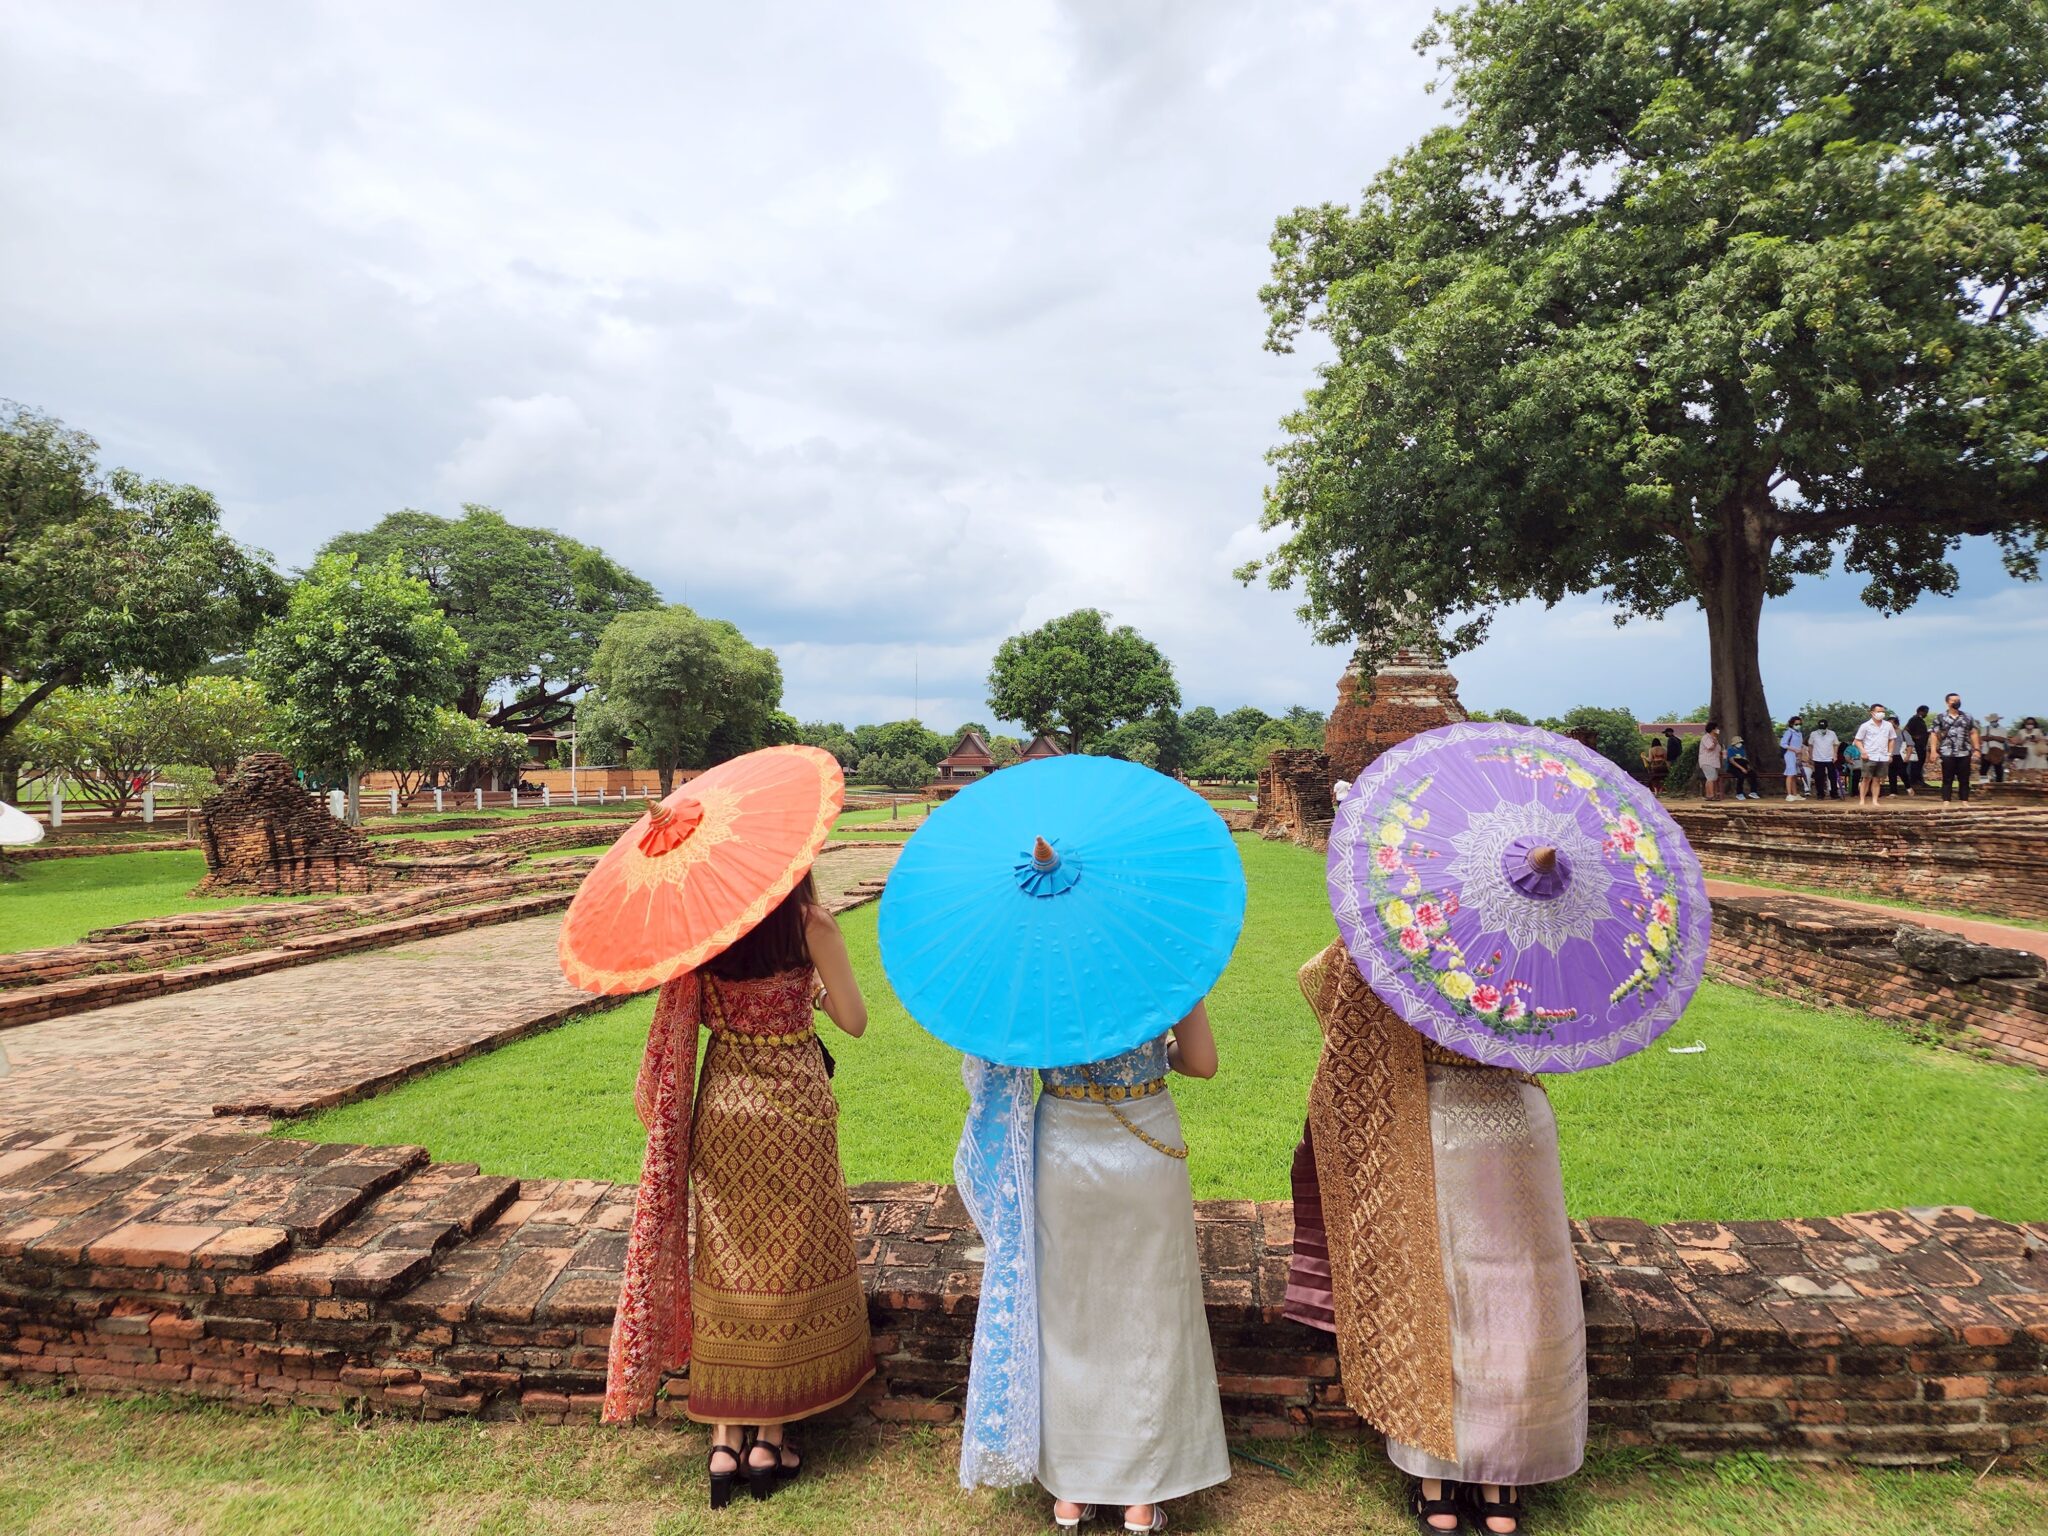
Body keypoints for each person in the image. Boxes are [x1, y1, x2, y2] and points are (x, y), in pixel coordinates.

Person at [1286, 944, 1584, 1536]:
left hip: (1436, 1122)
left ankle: (1437, 1480)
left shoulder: (1410, 926)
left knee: (1440, 1294)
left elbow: (1326, 981)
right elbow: (1560, 1033)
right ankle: (1503, 1482)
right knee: (1518, 1299)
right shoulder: (1542, 936)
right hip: (1519, 1124)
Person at [603, 872, 876, 1507]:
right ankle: (770, 1437)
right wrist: (809, 995)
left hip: (724, 1108)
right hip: (794, 1108)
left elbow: (688, 1021)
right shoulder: (813, 924)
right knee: (788, 1263)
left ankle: (726, 1438)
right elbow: (855, 1021)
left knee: (724, 1265)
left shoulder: (706, 933)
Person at [1933, 693, 1981, 804]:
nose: (1956, 702)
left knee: (1964, 778)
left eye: (1958, 700)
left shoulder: (1967, 717)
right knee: (1947, 778)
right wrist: (1934, 751)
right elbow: (1934, 734)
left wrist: (1977, 749)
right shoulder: (1940, 717)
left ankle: (1964, 800)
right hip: (1947, 751)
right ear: (1947, 702)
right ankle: (1946, 800)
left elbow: (1973, 733)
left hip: (1964, 751)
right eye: (1953, 700)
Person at [1852, 705, 1896, 807]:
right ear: (1872, 712)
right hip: (1869, 755)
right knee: (1866, 778)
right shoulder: (1865, 726)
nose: (1882, 713)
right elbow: (1858, 740)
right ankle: (1862, 799)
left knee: (1877, 779)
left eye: (1883, 711)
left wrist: (1890, 754)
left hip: (1883, 755)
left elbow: (1892, 739)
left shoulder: (1888, 725)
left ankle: (1875, 800)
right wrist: (1863, 752)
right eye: (1879, 711)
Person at [1808, 719, 1840, 800]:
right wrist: (1811, 756)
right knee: (1819, 777)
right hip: (1818, 758)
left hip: (1830, 758)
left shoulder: (1832, 733)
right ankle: (1820, 794)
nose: (1823, 729)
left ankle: (1834, 793)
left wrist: (1835, 755)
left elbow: (1836, 744)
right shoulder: (1814, 734)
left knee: (1832, 777)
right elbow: (1810, 745)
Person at [1778, 715, 1805, 801]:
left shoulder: (1799, 733)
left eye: (1799, 723)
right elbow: (1783, 744)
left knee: (1794, 774)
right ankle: (1789, 794)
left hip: (1797, 755)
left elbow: (1800, 745)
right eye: (1796, 724)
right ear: (1792, 724)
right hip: (1789, 754)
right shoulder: (1788, 732)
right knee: (1790, 773)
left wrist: (1800, 754)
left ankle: (1795, 794)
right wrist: (1794, 749)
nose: (1798, 725)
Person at [1906, 706, 1932, 793]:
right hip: (1916, 746)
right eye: (1925, 712)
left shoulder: (1920, 721)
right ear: (1920, 712)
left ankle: (1919, 780)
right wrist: (1914, 737)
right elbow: (1906, 730)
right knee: (1915, 765)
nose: (1926, 714)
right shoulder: (1914, 719)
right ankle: (1914, 781)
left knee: (1919, 764)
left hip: (1922, 746)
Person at [1696, 722, 1724, 801]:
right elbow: (1710, 747)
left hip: (1713, 761)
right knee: (1710, 777)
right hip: (1707, 761)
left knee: (1713, 778)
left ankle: (1711, 794)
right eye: (1716, 728)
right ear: (1713, 729)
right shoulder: (1706, 737)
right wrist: (1714, 743)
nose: (1717, 730)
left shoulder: (1714, 739)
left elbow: (1717, 750)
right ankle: (1711, 795)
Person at [1889, 728, 1917, 796]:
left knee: (1902, 773)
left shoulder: (1903, 732)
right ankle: (1893, 791)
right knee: (1891, 774)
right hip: (1891, 755)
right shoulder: (1887, 732)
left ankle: (1908, 787)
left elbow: (1910, 744)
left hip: (1901, 755)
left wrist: (1907, 756)